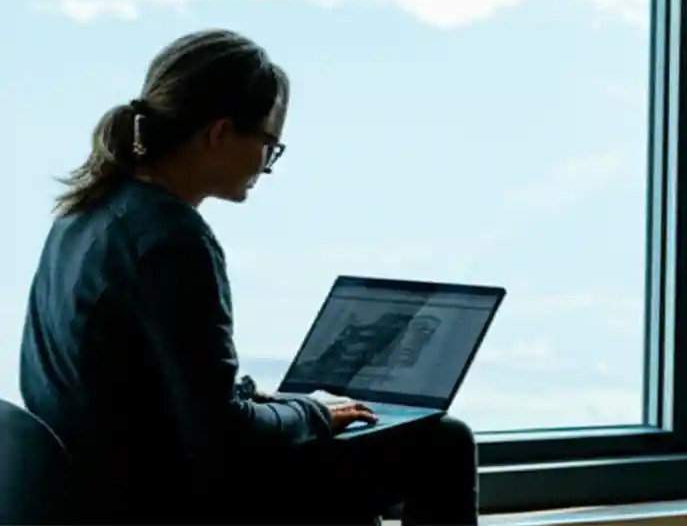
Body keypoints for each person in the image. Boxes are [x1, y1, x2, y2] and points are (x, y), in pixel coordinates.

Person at [19, 29, 478, 525]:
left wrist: (261, 399)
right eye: (268, 144)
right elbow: (223, 436)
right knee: (441, 442)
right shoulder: (173, 241)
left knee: (342, 451)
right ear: (218, 134)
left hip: (103, 487)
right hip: (171, 500)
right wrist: (314, 413)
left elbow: (147, 386)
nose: (267, 163)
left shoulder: (87, 211)